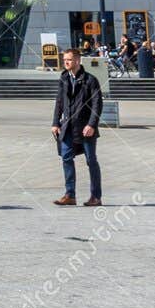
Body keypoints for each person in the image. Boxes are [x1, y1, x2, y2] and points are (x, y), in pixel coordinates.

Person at [51, 47, 103, 207]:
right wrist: (55, 122)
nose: (66, 62)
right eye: (65, 59)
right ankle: (70, 195)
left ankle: (96, 196)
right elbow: (59, 101)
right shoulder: (64, 78)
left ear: (78, 61)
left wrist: (91, 124)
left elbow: (97, 104)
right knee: (66, 157)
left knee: (91, 160)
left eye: (69, 59)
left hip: (85, 127)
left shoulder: (90, 80)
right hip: (67, 126)